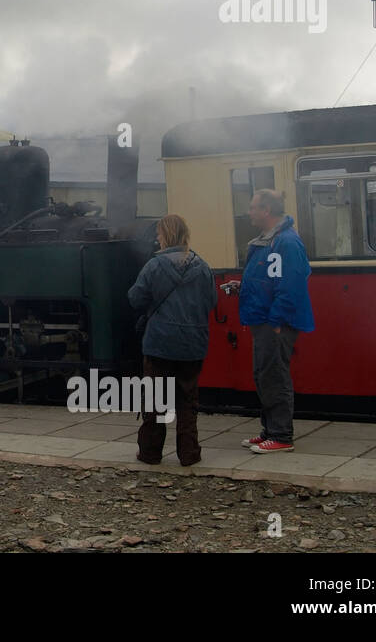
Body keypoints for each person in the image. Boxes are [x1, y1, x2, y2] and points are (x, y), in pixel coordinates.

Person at [221, 189, 314, 453]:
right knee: (264, 375)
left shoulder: (286, 242)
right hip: (264, 320)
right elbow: (271, 279)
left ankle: (282, 436)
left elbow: (291, 285)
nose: (248, 212)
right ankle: (270, 431)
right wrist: (243, 286)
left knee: (274, 376)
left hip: (274, 323)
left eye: (252, 207)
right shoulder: (270, 241)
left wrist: (276, 320)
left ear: (266, 211)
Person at [127, 214, 216, 466]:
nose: (156, 238)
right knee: (188, 400)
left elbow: (135, 298)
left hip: (160, 343)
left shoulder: (154, 266)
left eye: (158, 234)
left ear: (165, 235)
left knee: (155, 400)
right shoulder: (203, 266)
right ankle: (189, 454)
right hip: (193, 344)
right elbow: (211, 302)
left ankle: (150, 452)